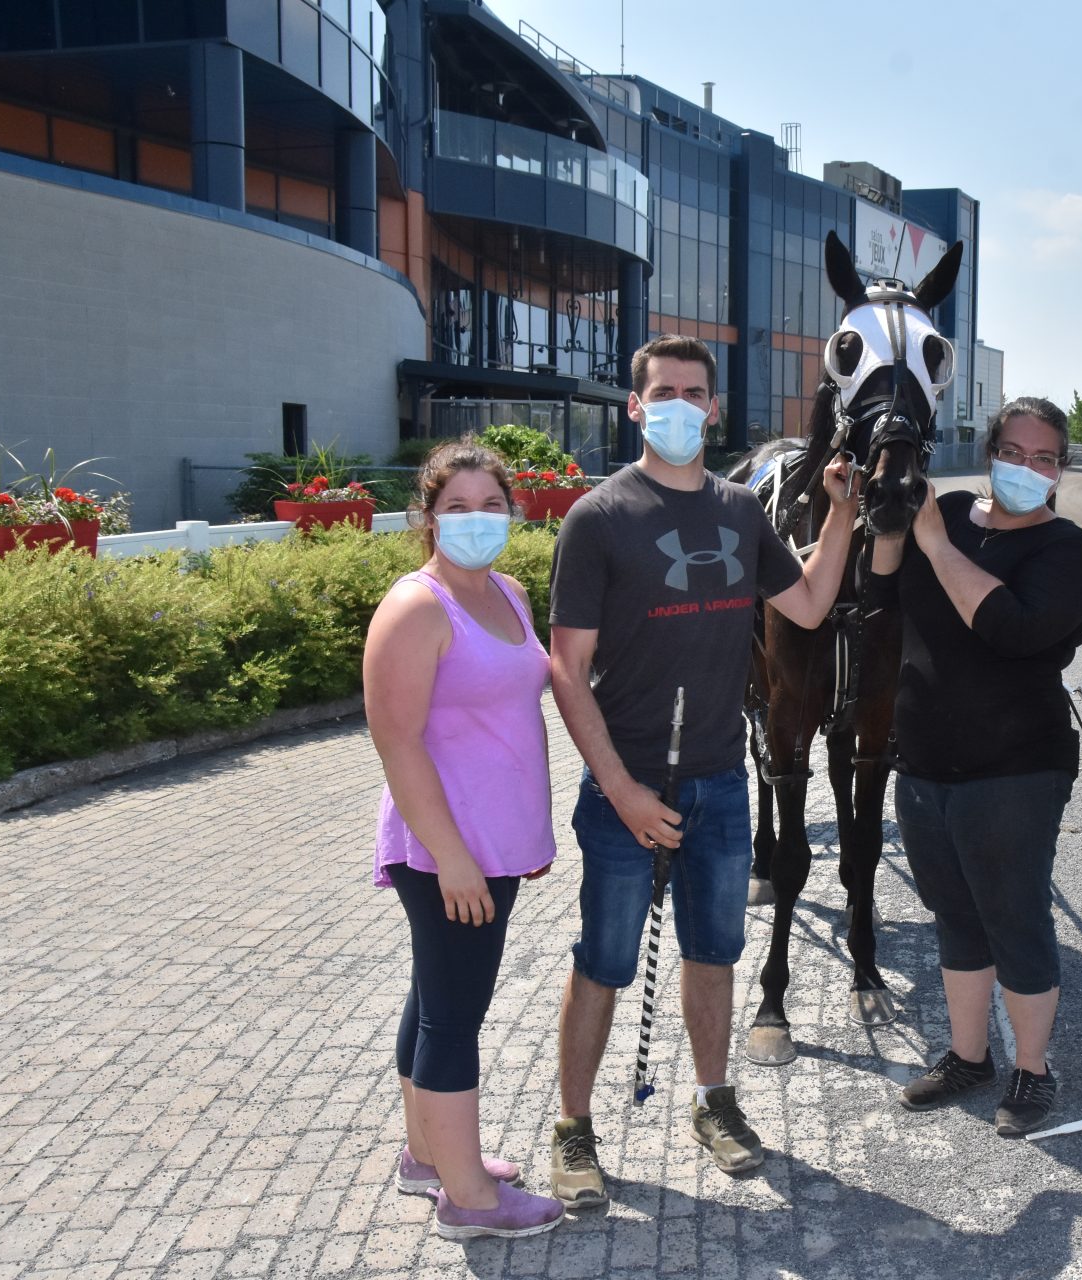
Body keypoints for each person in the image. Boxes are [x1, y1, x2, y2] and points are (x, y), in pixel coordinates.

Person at [546, 335, 856, 1205]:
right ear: (635, 407)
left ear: (714, 410)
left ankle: (714, 1103)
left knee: (714, 954)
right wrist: (623, 791)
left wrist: (837, 510)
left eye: (696, 393)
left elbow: (809, 600)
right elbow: (566, 670)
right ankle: (573, 1128)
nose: (681, 405)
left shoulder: (737, 511)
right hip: (625, 788)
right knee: (603, 962)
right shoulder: (599, 518)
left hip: (721, 782)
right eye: (664, 392)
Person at [866, 397, 1082, 1137]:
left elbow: (1013, 630)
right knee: (955, 918)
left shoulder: (1066, 549)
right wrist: (876, 516)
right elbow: (878, 597)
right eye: (1015, 451)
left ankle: (1033, 1069)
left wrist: (934, 543)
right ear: (990, 448)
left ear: (1060, 471)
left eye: (1045, 458)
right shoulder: (954, 511)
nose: (1027, 468)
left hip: (1015, 770)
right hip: (926, 763)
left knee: (1015, 918)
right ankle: (970, 1056)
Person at [364, 441, 566, 1240]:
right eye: (457, 508)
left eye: (492, 506)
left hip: (495, 841)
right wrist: (450, 857)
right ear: (427, 517)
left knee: (433, 995)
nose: (476, 521)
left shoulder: (509, 594)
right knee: (455, 1014)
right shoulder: (417, 606)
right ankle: (469, 1199)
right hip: (449, 850)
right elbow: (398, 741)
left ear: (513, 514)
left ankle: (427, 1155)